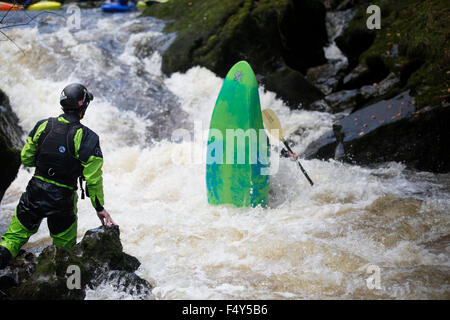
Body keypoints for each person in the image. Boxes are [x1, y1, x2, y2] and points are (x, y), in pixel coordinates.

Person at [0, 83, 116, 269]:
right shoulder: (88, 138)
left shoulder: (42, 125)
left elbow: (26, 159)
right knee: (64, 252)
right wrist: (99, 207)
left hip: (34, 191)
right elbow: (93, 178)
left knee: (13, 238)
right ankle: (68, 288)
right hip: (62, 200)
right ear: (83, 107)